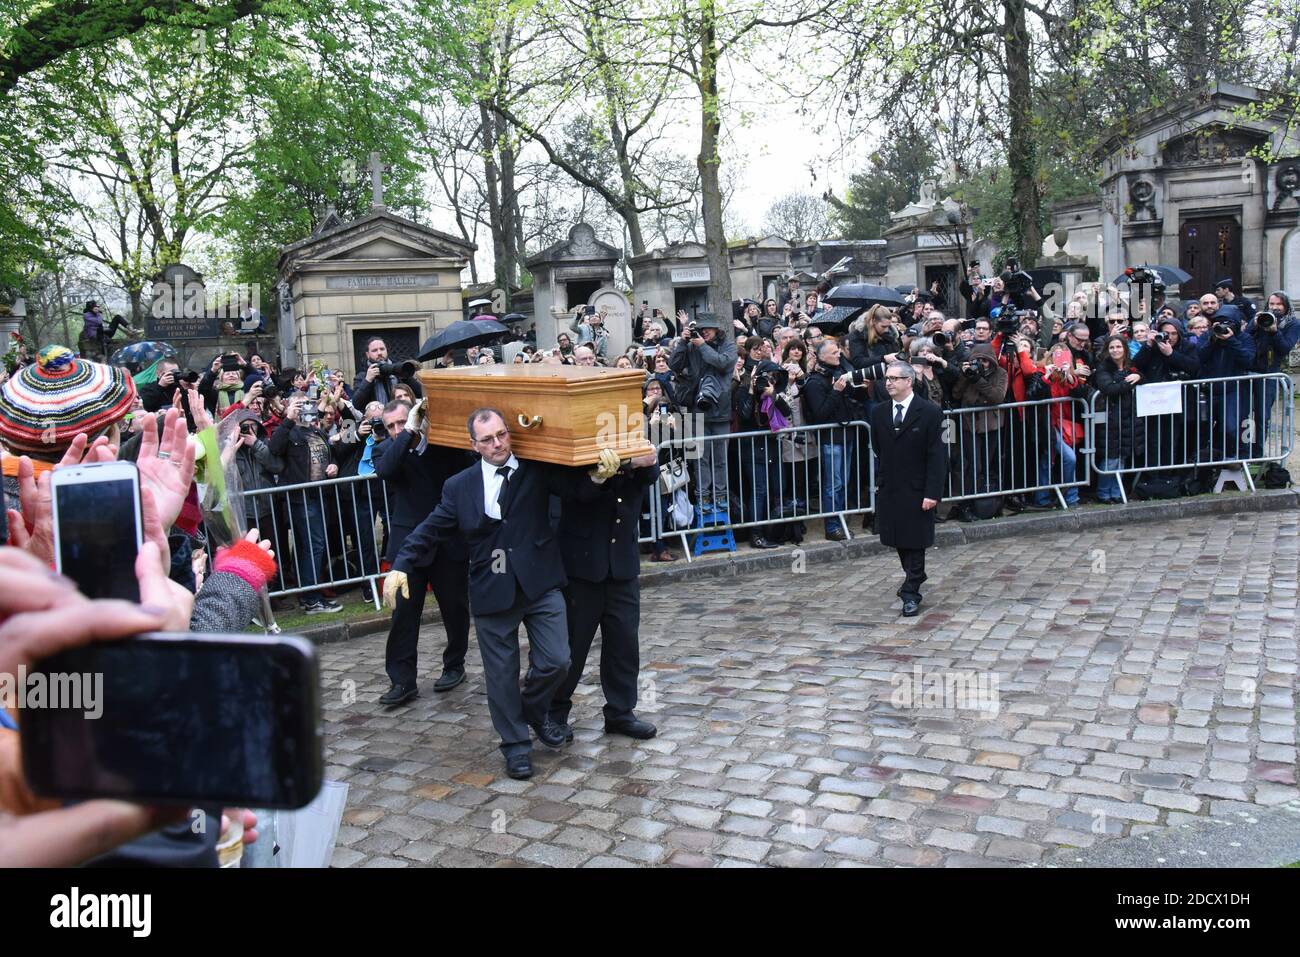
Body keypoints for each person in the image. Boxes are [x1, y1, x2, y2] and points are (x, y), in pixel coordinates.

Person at [384, 409, 623, 780]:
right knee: (501, 675)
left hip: (540, 581)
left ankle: (533, 707)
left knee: (558, 660)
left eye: (501, 435)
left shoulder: (535, 467)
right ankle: (515, 746)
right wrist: (402, 563)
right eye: (487, 439)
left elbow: (575, 490)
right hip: (491, 587)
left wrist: (598, 476)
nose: (497, 444)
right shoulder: (459, 486)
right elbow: (431, 527)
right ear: (473, 444)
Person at [549, 448, 660, 742]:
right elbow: (573, 492)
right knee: (573, 645)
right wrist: (604, 473)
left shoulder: (633, 436)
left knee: (624, 643)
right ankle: (555, 711)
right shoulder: (578, 444)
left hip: (621, 561)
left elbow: (649, 473)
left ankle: (621, 712)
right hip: (583, 564)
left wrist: (638, 459)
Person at [372, 399, 472, 706]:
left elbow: (467, 469)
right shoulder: (386, 450)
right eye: (391, 426)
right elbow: (386, 470)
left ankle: (454, 665)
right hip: (408, 544)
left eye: (403, 422)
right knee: (404, 612)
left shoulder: (443, 446)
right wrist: (407, 434)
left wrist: (428, 431)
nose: (397, 430)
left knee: (454, 608)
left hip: (447, 541)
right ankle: (402, 680)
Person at [869, 362, 946, 616]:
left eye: (895, 378)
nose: (889, 383)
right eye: (887, 378)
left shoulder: (930, 412)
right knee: (898, 538)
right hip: (891, 485)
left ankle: (911, 590)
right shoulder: (879, 412)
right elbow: (879, 448)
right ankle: (916, 575)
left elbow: (937, 456)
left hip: (918, 487)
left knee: (916, 540)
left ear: (909, 381)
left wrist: (932, 492)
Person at [267, 391, 342, 614]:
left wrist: (334, 465)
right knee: (314, 546)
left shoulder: (315, 430)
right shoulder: (288, 431)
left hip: (320, 495)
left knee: (309, 546)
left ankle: (309, 595)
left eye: (305, 404)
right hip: (302, 498)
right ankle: (312, 598)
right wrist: (288, 418)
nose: (302, 408)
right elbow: (274, 449)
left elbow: (329, 452)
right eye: (297, 405)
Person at [667, 312, 736, 514]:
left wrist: (702, 346)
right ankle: (702, 496)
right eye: (702, 328)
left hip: (721, 411)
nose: (705, 332)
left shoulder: (728, 346)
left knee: (720, 458)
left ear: (717, 329)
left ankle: (720, 495)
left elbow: (723, 363)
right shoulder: (691, 346)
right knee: (700, 458)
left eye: (709, 328)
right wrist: (682, 341)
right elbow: (674, 365)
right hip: (696, 410)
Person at [801, 339, 867, 541]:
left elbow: (849, 402)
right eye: (833, 352)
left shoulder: (838, 374)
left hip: (845, 435)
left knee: (843, 482)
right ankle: (832, 526)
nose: (839, 354)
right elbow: (820, 414)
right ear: (821, 356)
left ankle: (840, 520)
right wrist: (836, 392)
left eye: (839, 351)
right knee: (833, 484)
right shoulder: (814, 382)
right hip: (830, 439)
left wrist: (856, 388)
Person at [1091, 334, 1141, 503]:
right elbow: (1108, 388)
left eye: (1118, 347)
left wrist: (1139, 377)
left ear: (1125, 349)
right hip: (1110, 417)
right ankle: (1104, 493)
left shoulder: (1131, 366)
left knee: (1121, 457)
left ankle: (1117, 491)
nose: (1115, 350)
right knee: (1110, 458)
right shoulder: (1104, 367)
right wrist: (1130, 383)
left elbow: (1142, 376)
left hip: (1127, 416)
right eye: (1112, 347)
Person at [352, 337, 422, 409]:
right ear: (367, 354)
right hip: (377, 418)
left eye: (382, 349)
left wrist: (405, 375)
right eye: (374, 350)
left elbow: (420, 393)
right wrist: (368, 381)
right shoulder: (362, 376)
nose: (379, 353)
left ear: (386, 350)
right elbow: (357, 404)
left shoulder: (397, 370)